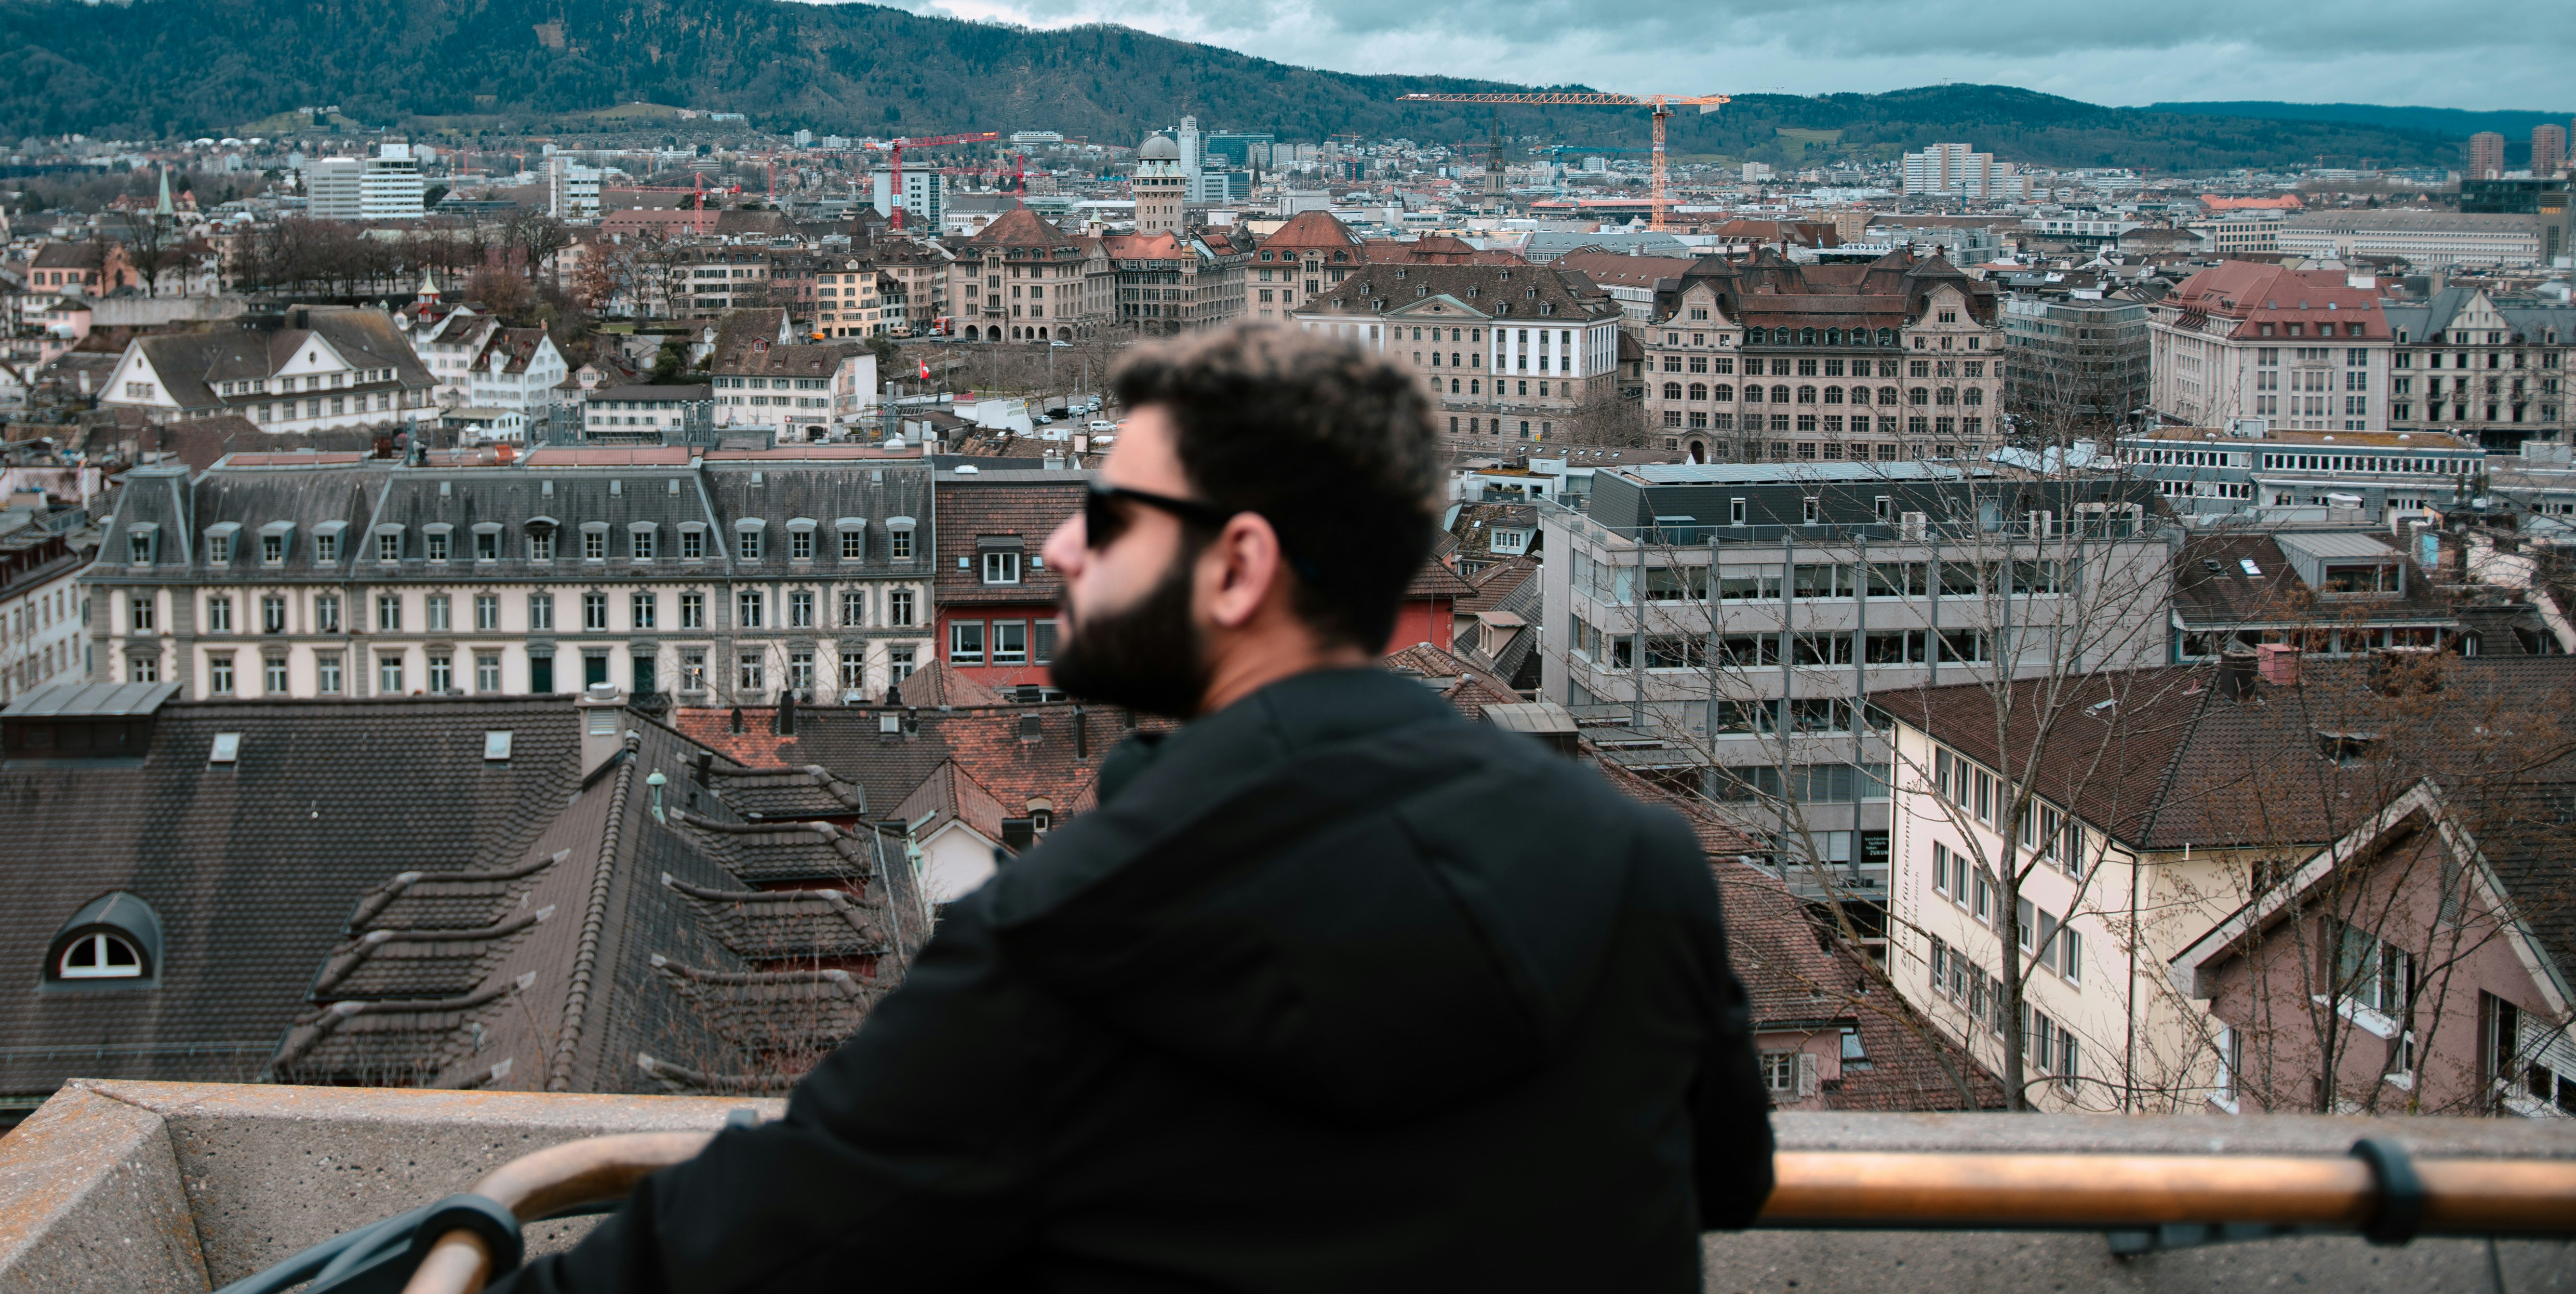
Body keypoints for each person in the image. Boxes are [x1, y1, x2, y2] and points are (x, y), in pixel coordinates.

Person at [508, 323, 1772, 1292]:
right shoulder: (1641, 861)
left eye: (1109, 516)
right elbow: (1730, 1172)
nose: (1062, 548)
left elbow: (753, 1235)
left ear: (1236, 565)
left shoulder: (1083, 924)